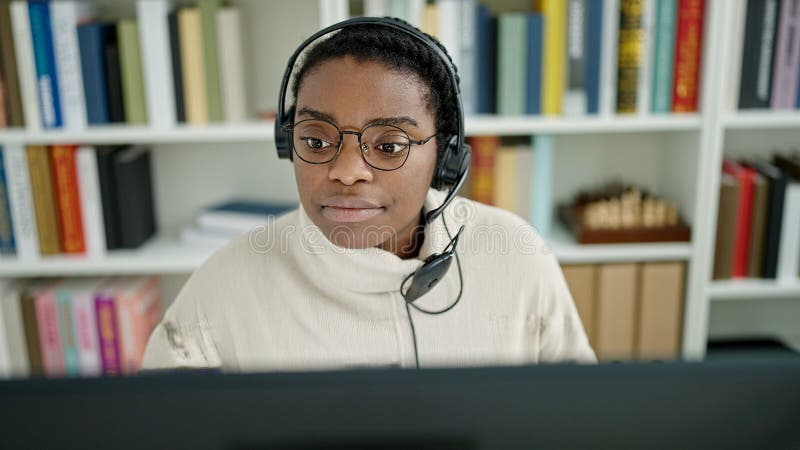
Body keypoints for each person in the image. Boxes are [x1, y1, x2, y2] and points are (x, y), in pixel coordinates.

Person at [141, 18, 596, 372]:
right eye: (316, 141)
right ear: (288, 144)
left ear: (445, 156)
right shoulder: (224, 286)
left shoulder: (515, 257)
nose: (346, 172)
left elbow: (579, 416)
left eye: (389, 145)